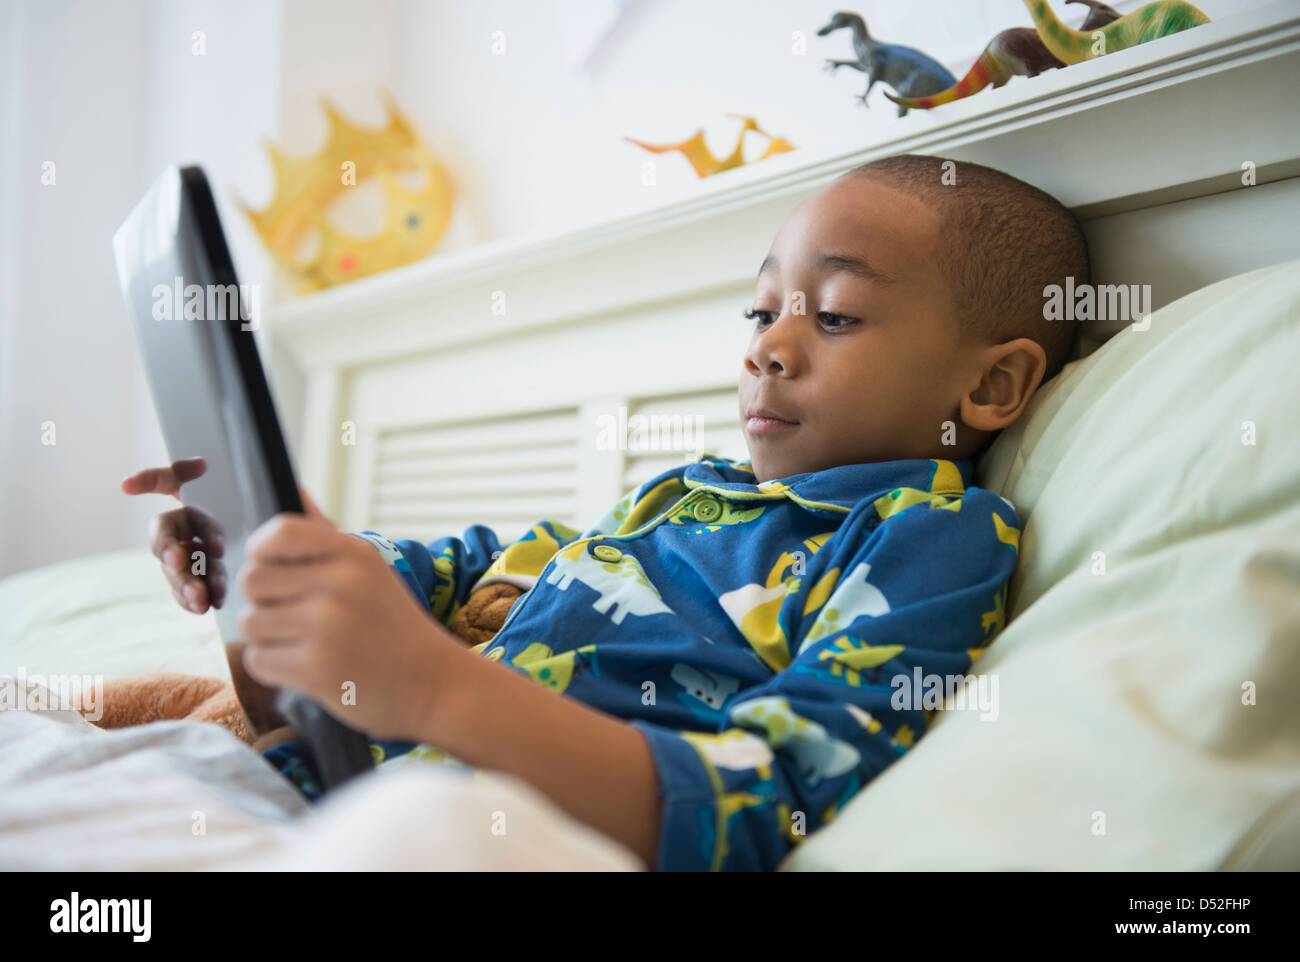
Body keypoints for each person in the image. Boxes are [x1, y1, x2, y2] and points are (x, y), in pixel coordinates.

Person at [122, 153, 1090, 871]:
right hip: (350, 787)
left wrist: (438, 689)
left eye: (832, 314)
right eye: (761, 313)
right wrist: (281, 554)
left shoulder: (926, 535)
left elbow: (779, 795)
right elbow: (474, 568)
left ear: (994, 383)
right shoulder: (673, 495)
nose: (768, 347)